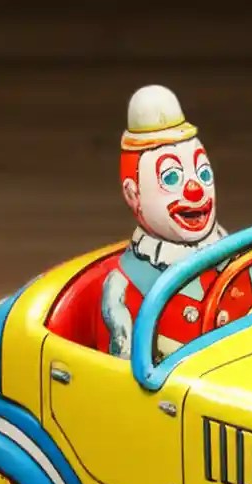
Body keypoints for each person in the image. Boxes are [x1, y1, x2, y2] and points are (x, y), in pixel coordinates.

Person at [101, 85, 227, 360]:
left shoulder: (240, 256)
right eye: (171, 178)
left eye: (203, 172)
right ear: (133, 195)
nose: (196, 190)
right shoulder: (126, 289)